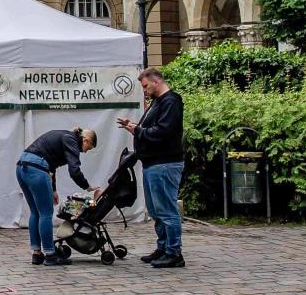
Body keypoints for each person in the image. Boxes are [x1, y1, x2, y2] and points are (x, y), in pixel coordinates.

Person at [115, 67, 186, 268]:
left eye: (145, 86)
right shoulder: (159, 103)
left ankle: (173, 252)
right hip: (153, 162)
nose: (144, 90)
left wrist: (138, 130)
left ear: (156, 81)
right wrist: (136, 128)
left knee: (166, 209)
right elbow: (152, 130)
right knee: (156, 210)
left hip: (164, 163)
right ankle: (163, 247)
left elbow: (163, 132)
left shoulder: (171, 101)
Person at [17, 127, 97, 265]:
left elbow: (51, 165)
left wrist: (53, 190)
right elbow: (74, 170)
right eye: (88, 148)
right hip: (36, 170)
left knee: (35, 212)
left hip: (22, 168)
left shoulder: (65, 136)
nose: (84, 151)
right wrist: (87, 186)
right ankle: (50, 255)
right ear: (85, 140)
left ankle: (37, 254)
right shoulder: (71, 140)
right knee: (46, 214)